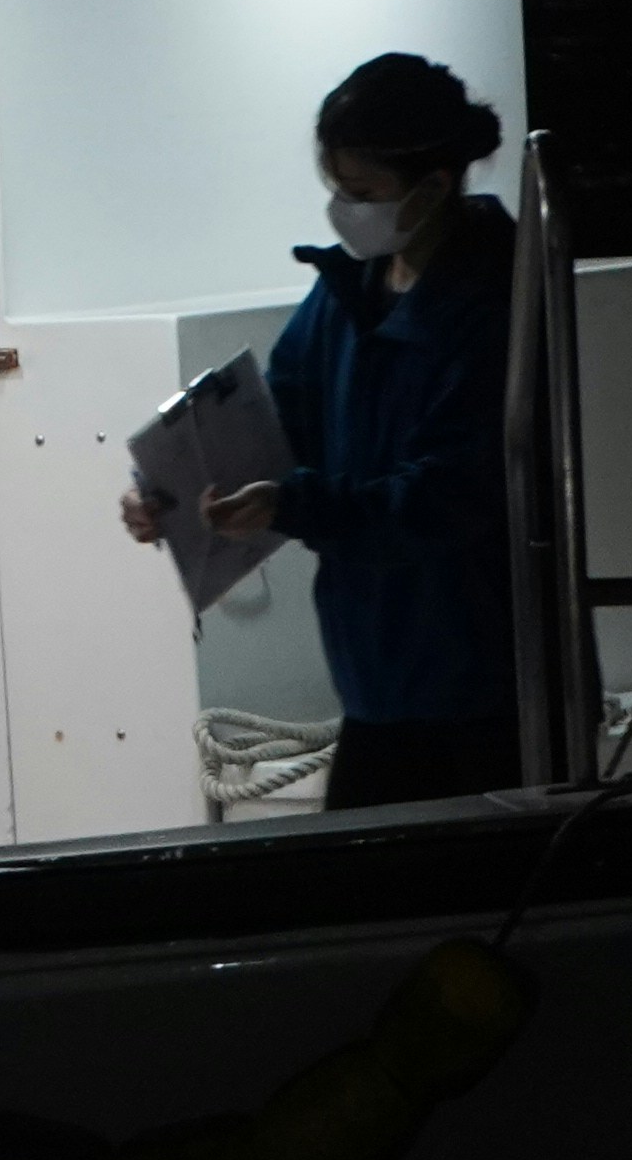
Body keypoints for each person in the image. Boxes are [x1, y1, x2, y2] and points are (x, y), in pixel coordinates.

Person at [117, 52, 517, 808]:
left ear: (434, 186)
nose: (344, 209)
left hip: (483, 686)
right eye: (337, 189)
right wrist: (172, 492)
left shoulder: (494, 305)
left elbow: (446, 495)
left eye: (363, 192)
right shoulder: (349, 294)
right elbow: (270, 425)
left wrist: (296, 506)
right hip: (378, 681)